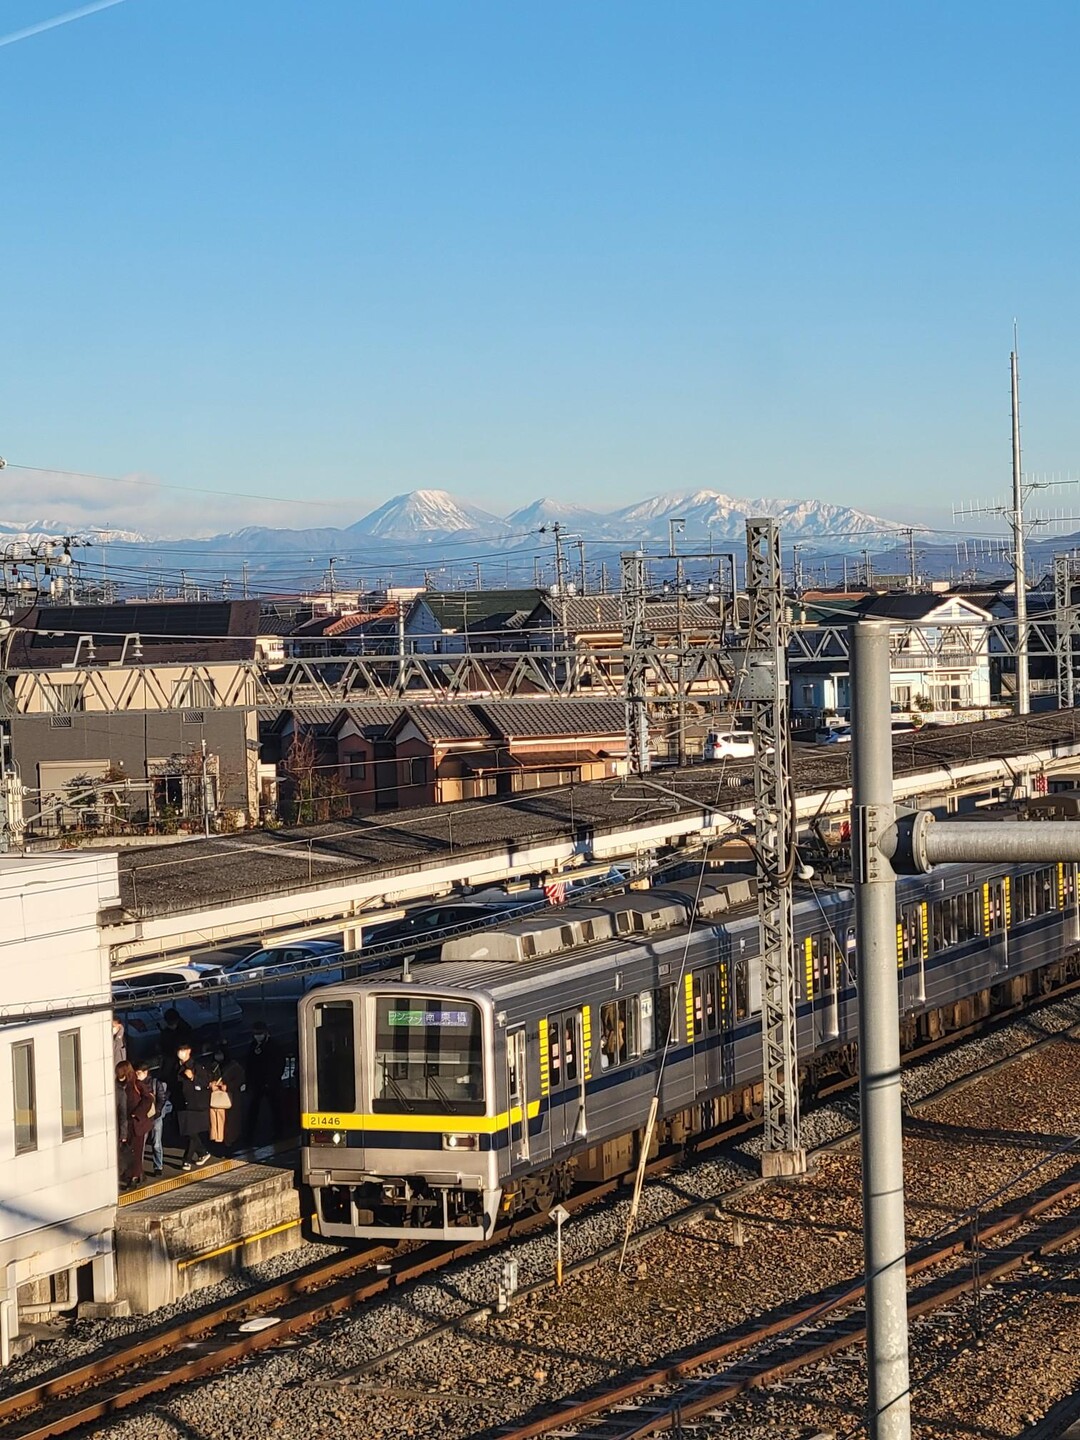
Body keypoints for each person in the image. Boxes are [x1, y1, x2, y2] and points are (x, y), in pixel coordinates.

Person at [243, 1022, 283, 1146]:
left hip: (271, 1083)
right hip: (257, 1083)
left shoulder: (273, 1046)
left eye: (259, 1033)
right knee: (253, 1109)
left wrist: (272, 1080)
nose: (257, 1036)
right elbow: (249, 1065)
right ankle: (249, 1135)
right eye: (255, 1034)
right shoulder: (253, 1046)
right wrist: (248, 1081)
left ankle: (278, 1133)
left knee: (275, 1108)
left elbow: (278, 1065)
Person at [173, 1044, 211, 1170]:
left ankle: (187, 1160)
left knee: (191, 1131)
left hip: (194, 1103)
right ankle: (202, 1152)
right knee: (188, 1131)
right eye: (179, 1050)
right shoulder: (176, 1066)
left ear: (188, 1051)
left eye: (183, 1050)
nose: (180, 1053)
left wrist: (193, 1077)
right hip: (180, 1102)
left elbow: (205, 1083)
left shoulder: (196, 1067)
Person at [116, 1061, 152, 1189]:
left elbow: (148, 1099)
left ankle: (134, 1177)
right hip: (125, 1124)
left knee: (136, 1152)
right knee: (128, 1152)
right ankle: (137, 1174)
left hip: (137, 1124)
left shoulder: (137, 1084)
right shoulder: (118, 1086)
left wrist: (137, 1113)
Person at [136, 1063, 171, 1176]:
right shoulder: (136, 1085)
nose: (137, 1075)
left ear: (146, 1072)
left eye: (139, 1073)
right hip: (145, 1117)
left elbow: (162, 1099)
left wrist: (157, 1111)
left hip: (154, 1117)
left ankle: (158, 1166)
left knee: (156, 1142)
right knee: (142, 1143)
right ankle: (140, 1168)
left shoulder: (156, 1083)